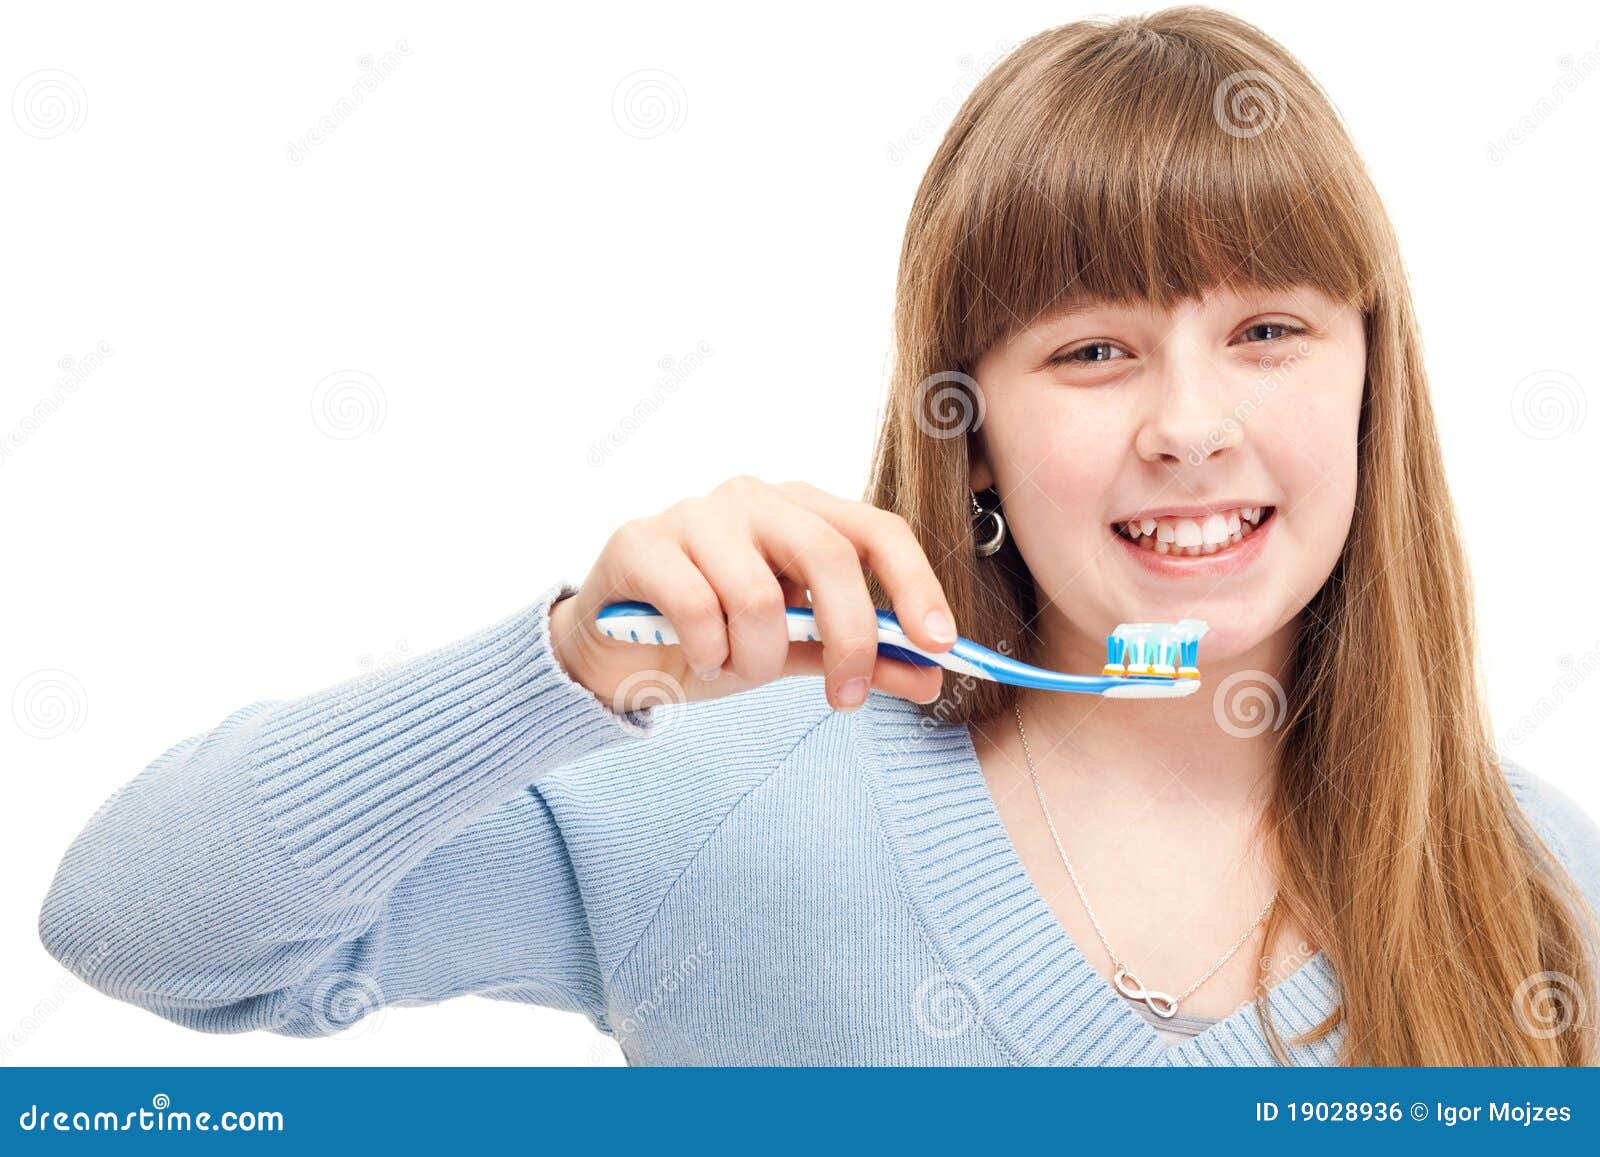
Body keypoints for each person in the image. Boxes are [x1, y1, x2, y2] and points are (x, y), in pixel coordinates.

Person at [38, 5, 1600, 1065]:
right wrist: (569, 662)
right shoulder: (717, 799)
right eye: (1091, 351)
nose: (1189, 424)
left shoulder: (1548, 899)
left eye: (1268, 330)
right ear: (967, 423)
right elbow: (140, 927)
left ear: (1369, 386)